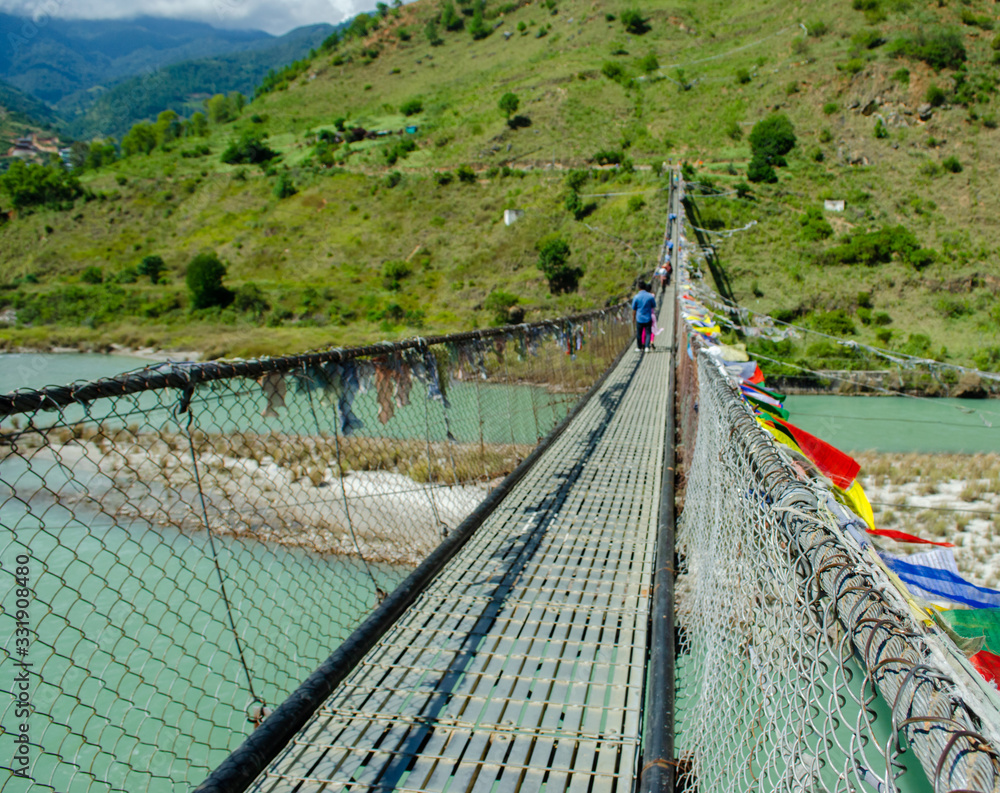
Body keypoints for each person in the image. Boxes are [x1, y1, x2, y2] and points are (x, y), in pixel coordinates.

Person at [632, 281, 656, 352]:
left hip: (639, 318)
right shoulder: (650, 296)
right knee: (648, 332)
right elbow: (653, 305)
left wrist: (633, 317)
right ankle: (647, 347)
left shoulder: (636, 297)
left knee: (639, 333)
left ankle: (639, 347)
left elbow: (634, 308)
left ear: (638, 288)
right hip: (648, 317)